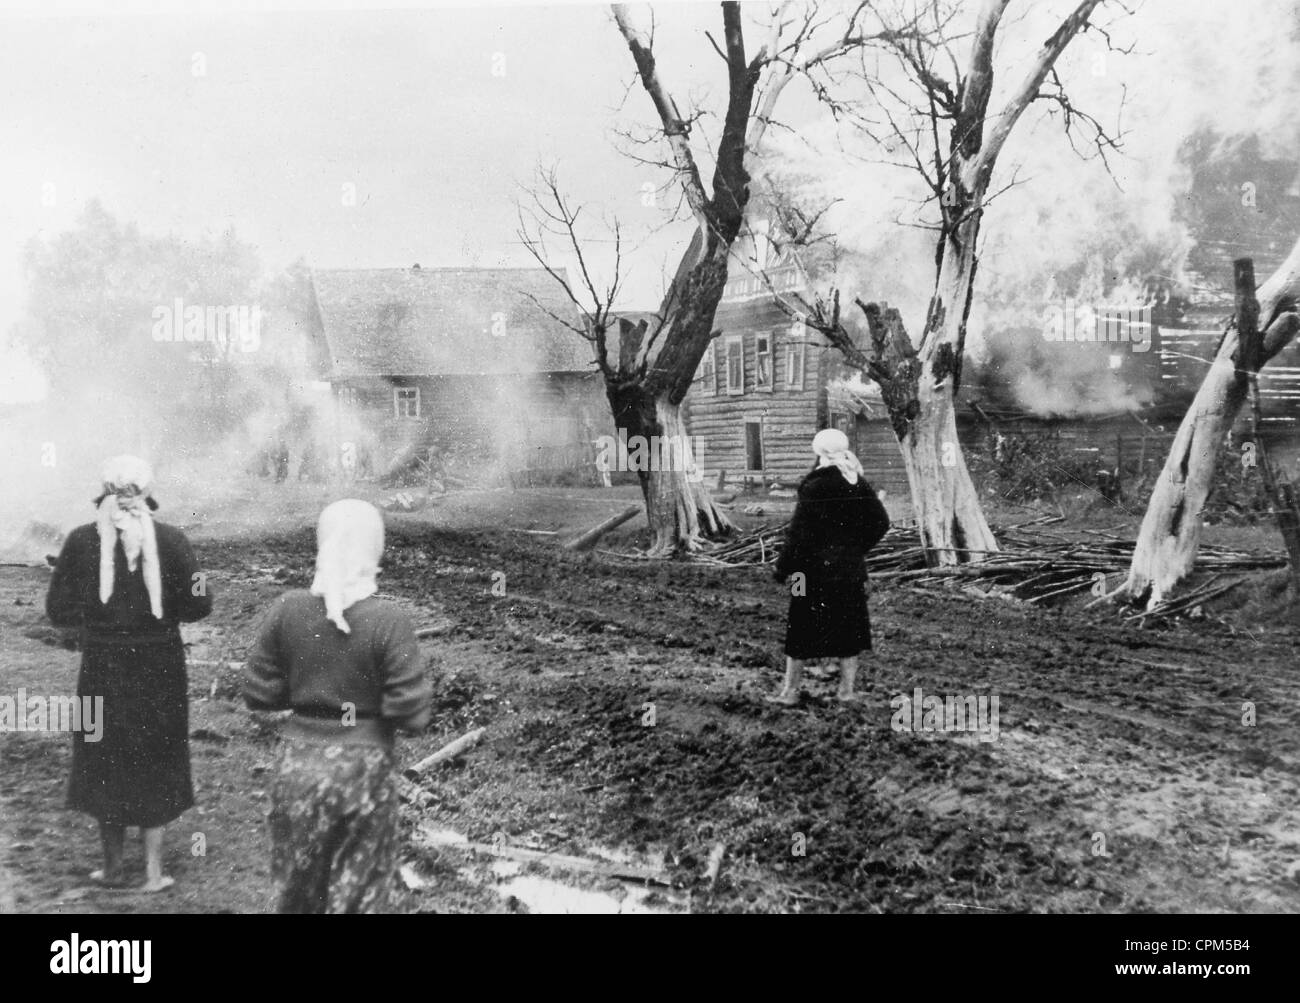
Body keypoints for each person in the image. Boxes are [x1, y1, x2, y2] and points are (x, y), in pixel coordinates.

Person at [243, 499, 432, 913]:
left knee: (294, 890)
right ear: (375, 548)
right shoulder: (388, 619)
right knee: (359, 893)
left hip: (296, 768)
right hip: (363, 773)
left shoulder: (288, 609)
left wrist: (307, 693)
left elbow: (259, 692)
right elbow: (412, 712)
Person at [45, 455, 212, 891]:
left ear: (104, 493)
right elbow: (200, 602)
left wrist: (96, 614)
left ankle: (114, 868)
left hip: (102, 664)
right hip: (160, 667)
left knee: (104, 758)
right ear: (147, 494)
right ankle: (154, 872)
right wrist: (191, 582)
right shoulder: (175, 541)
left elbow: (56, 610)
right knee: (157, 754)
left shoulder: (80, 542)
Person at [769, 428, 890, 706]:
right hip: (850, 570)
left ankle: (790, 692)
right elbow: (881, 522)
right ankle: (846, 692)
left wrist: (783, 568)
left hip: (808, 572)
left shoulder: (814, 486)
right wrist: (855, 550)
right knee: (849, 629)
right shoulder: (857, 482)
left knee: (799, 626)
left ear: (820, 453)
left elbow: (797, 534)